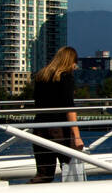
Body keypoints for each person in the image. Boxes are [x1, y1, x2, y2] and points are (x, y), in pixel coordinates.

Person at [31, 46, 84, 183]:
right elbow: (69, 107)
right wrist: (77, 136)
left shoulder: (41, 76)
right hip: (60, 129)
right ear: (70, 61)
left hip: (40, 128)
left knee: (44, 174)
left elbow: (37, 103)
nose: (75, 66)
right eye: (75, 62)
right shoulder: (66, 77)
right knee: (71, 171)